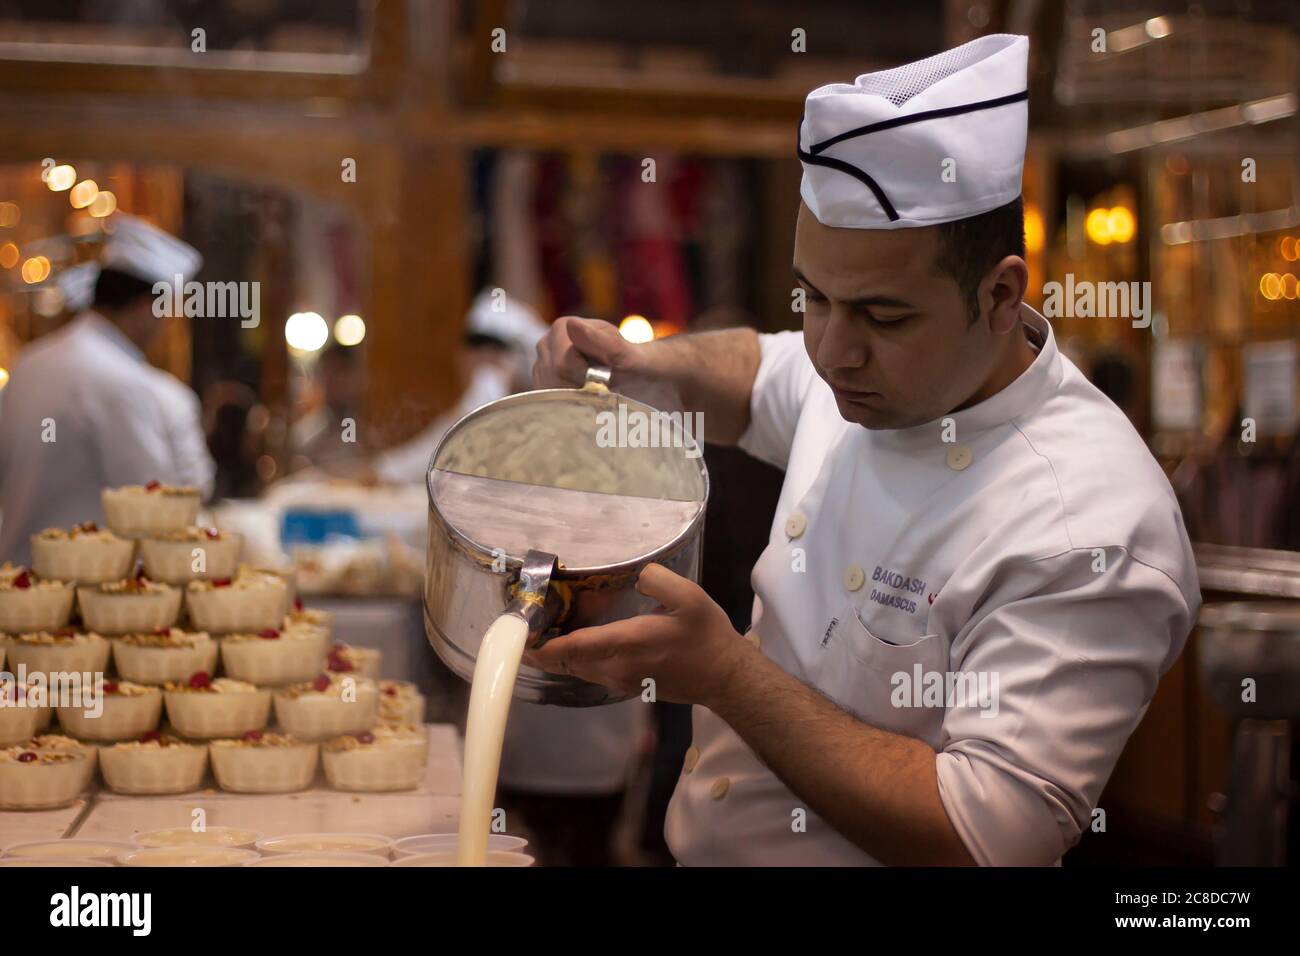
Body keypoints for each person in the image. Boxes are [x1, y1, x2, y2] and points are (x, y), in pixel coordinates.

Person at [528, 34, 1200, 866]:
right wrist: (640, 364)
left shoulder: (1090, 523)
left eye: (882, 316)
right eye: (814, 298)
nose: (830, 351)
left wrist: (726, 676)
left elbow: (986, 835)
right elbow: (755, 370)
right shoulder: (869, 376)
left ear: (999, 295)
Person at [0, 215, 215, 563]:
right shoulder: (124, 382)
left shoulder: (28, 364)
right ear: (147, 307)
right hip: (89, 600)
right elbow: (157, 509)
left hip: (14, 586)